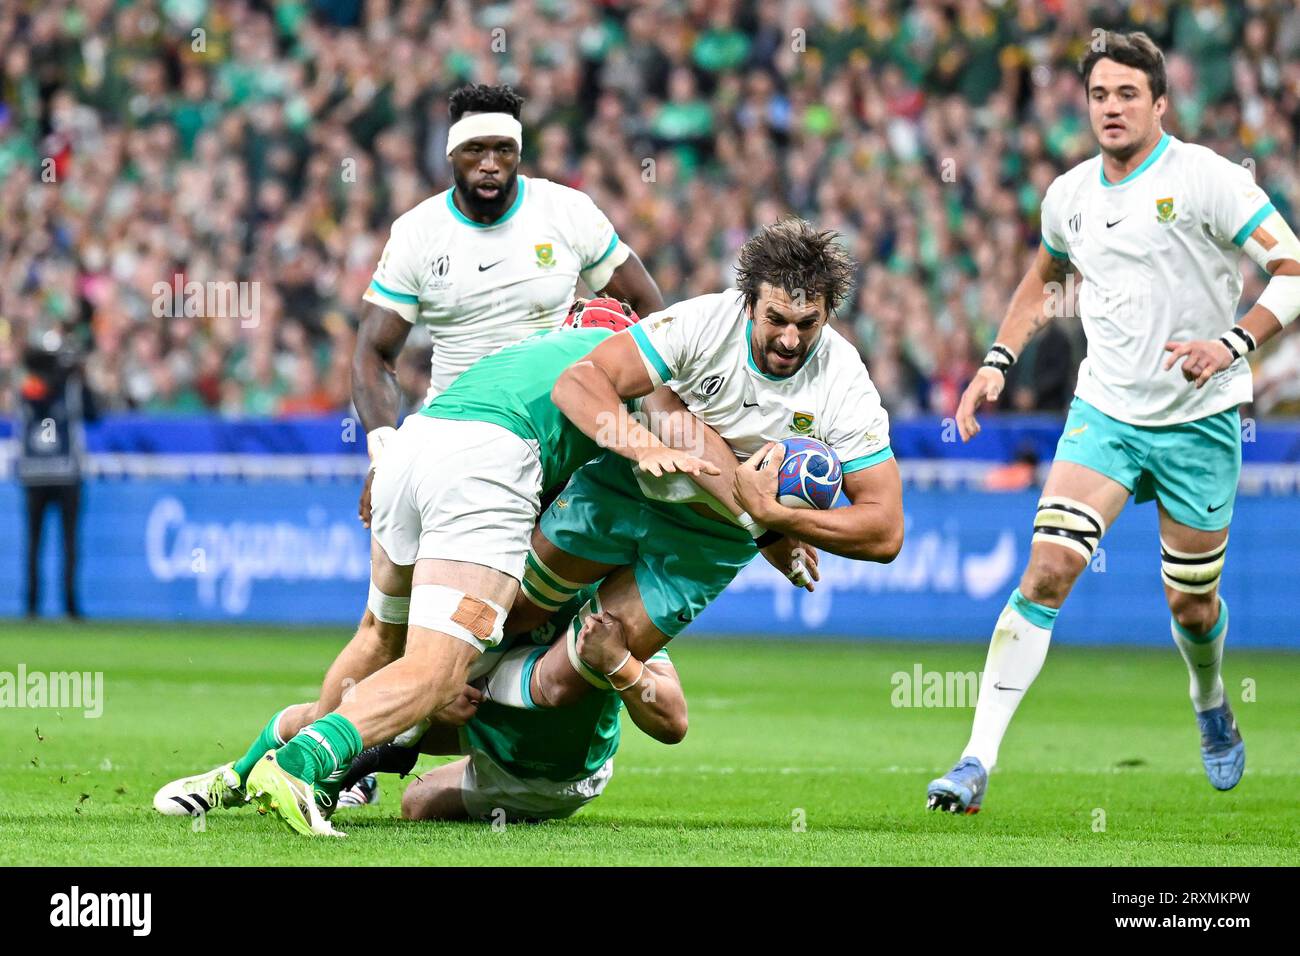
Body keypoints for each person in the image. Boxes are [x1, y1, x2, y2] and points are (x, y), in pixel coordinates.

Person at [153, 303, 713, 836]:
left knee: (382, 647)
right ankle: (299, 767)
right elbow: (702, 462)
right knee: (428, 678)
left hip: (416, 442)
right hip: (479, 474)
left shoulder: (525, 390)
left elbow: (663, 716)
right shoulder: (583, 461)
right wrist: (762, 523)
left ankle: (245, 775)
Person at [926, 31, 1300, 814]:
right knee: (1047, 571)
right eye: (1099, 95)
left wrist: (1232, 343)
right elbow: (1043, 276)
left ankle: (1208, 699)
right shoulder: (1069, 196)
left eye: (1128, 94)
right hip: (1107, 414)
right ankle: (973, 760)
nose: (1112, 108)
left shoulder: (1205, 177)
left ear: (1159, 102)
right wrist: (997, 359)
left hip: (1200, 419)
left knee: (1191, 607)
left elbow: (1292, 267)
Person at [478, 218, 904, 712]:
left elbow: (885, 532)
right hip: (624, 491)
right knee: (506, 616)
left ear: (828, 315)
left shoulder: (844, 380)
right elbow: (579, 381)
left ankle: (468, 707)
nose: (790, 340)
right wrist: (641, 445)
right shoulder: (703, 323)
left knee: (568, 682)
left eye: (807, 324)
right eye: (777, 320)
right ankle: (408, 713)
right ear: (748, 304)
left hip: (708, 544)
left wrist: (778, 518)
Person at [352, 82, 662, 527]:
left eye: (504, 150)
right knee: (422, 590)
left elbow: (645, 307)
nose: (490, 165)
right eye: (475, 151)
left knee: (548, 591)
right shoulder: (417, 232)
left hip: (556, 436)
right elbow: (374, 351)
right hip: (454, 435)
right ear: (451, 155)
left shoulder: (565, 210)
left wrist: (634, 411)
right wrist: (385, 452)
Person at [346, 610, 687, 824]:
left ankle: (368, 749)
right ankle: (356, 756)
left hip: (572, 773)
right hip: (499, 739)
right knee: (407, 689)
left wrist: (619, 663)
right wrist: (439, 694)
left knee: (417, 801)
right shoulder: (495, 582)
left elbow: (673, 721)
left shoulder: (613, 607)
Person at [16, 332, 95, 619]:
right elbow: (93, 414)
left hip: (37, 474)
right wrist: (74, 376)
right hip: (62, 473)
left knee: (38, 543)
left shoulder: (29, 384)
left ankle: (34, 605)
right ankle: (66, 604)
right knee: (66, 542)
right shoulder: (46, 385)